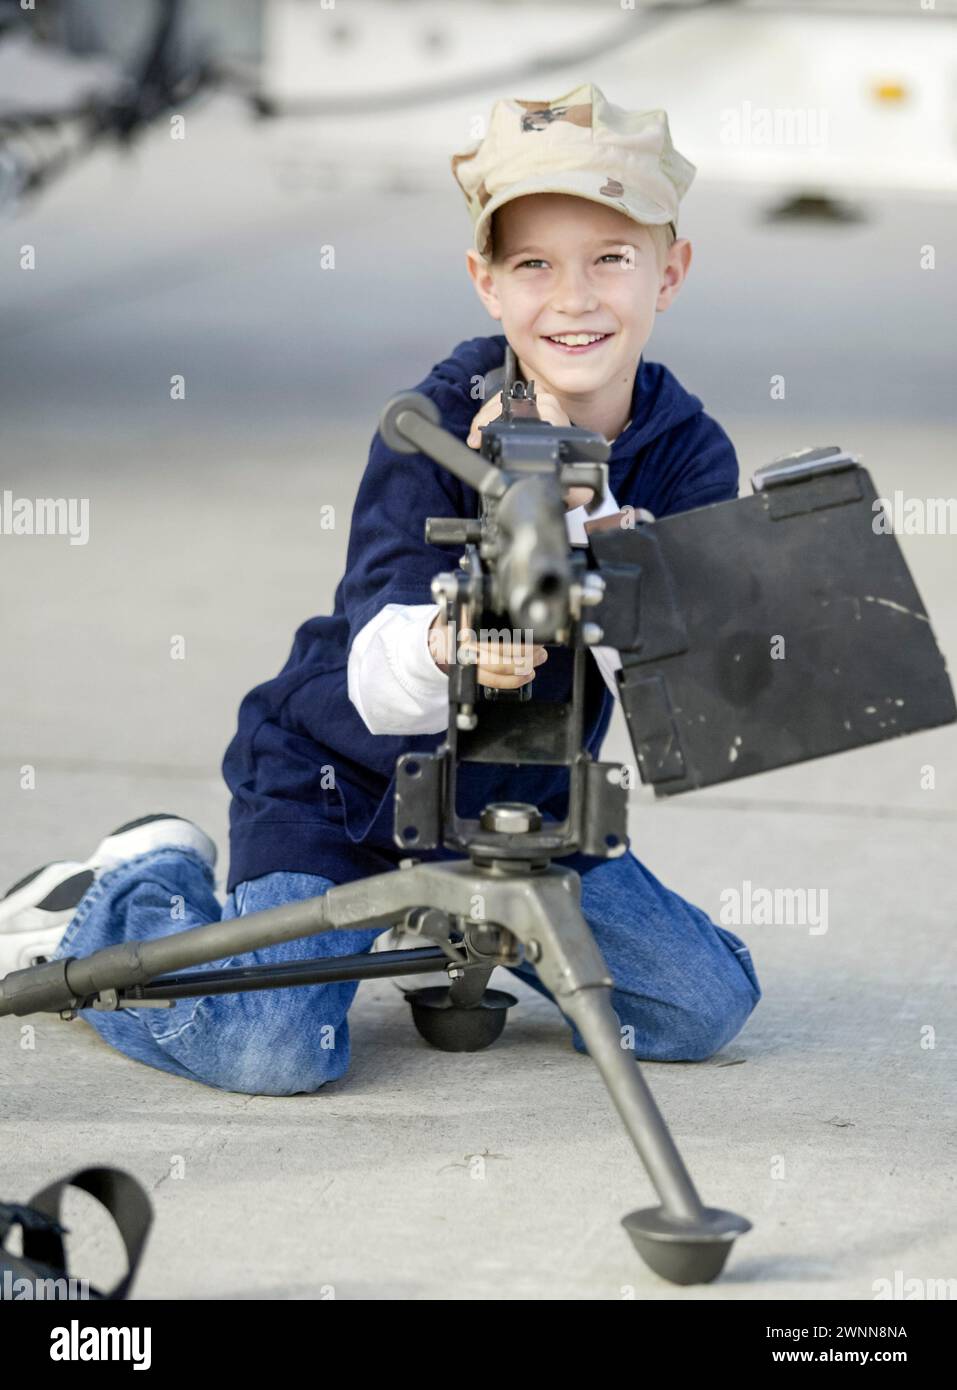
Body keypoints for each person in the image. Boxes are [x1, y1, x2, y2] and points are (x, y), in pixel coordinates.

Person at [0, 82, 761, 1095]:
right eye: (533, 263)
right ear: (486, 283)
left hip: (527, 813)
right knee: (270, 1049)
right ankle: (125, 890)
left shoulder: (688, 452)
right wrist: (452, 640)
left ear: (672, 272)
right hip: (345, 788)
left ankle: (464, 930)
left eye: (611, 259)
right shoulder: (433, 427)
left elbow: (694, 683)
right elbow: (373, 675)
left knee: (699, 1007)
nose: (574, 298)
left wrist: (607, 539)